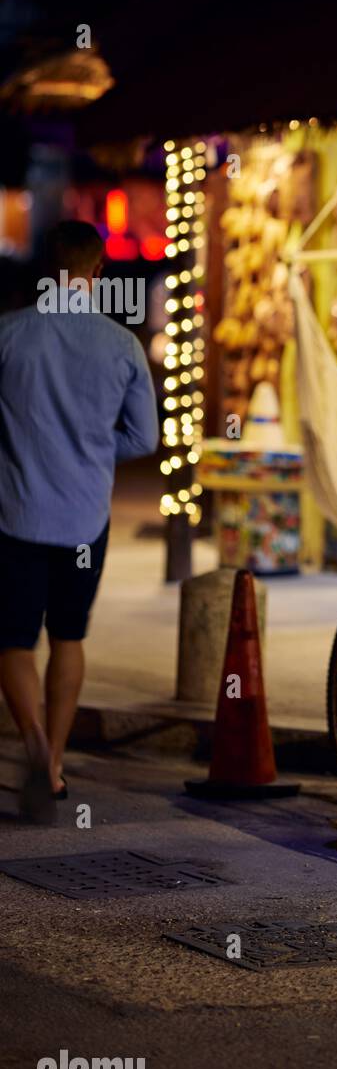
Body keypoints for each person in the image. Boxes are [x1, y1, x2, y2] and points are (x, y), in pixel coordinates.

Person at [0, 221, 158, 820]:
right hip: (84, 522)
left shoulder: (9, 335)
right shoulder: (121, 345)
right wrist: (91, 448)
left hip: (14, 514)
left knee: (13, 641)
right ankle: (57, 766)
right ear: (96, 275)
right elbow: (143, 436)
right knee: (70, 636)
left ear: (46, 270)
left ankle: (36, 749)